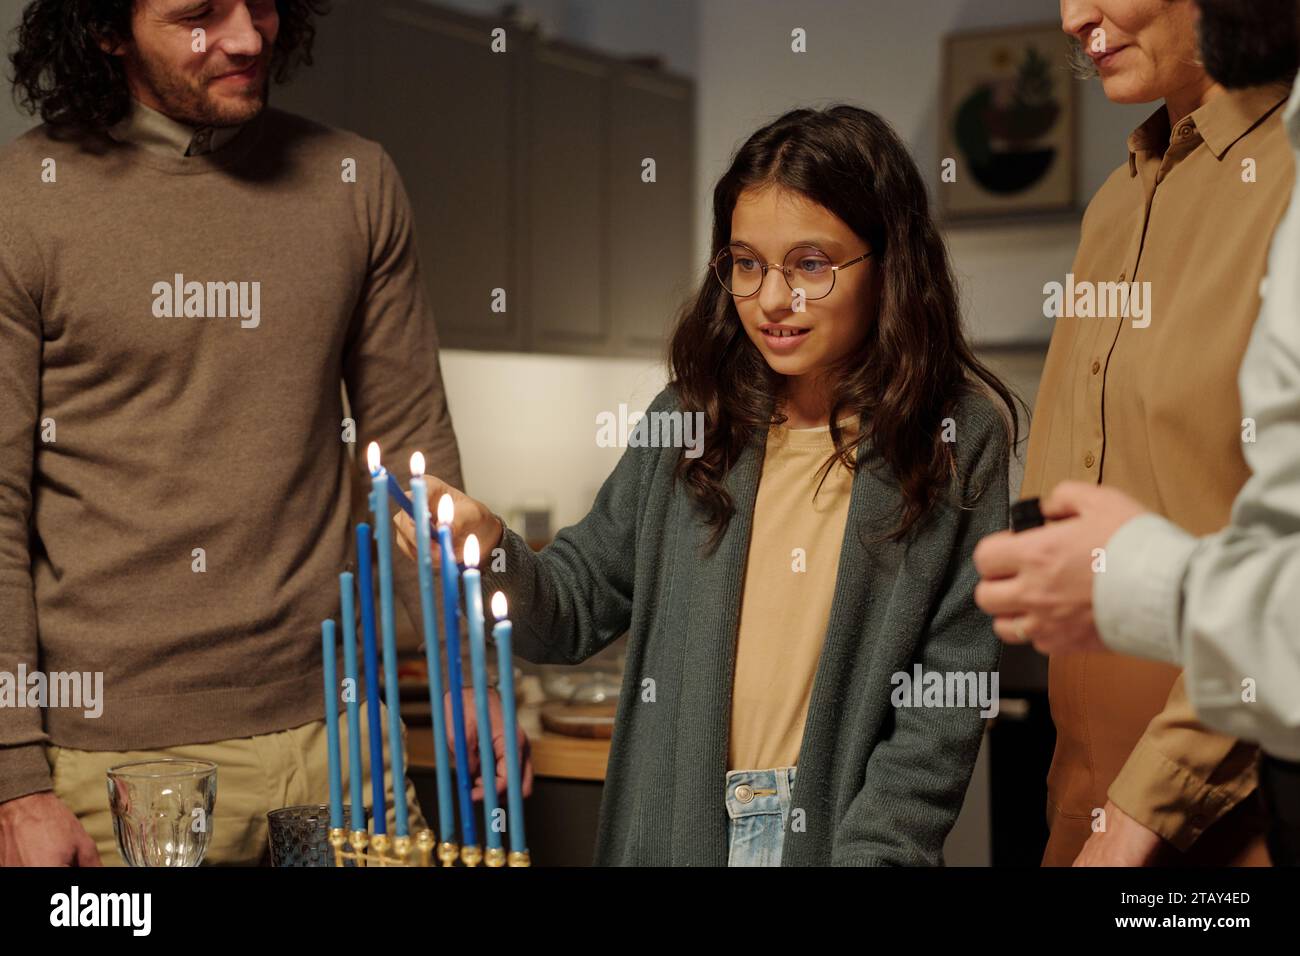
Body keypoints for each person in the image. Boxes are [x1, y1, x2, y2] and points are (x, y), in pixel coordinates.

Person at [395, 105, 1021, 866]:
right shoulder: (690, 419)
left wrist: (879, 854)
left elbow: (944, 702)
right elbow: (570, 608)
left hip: (832, 843)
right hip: (671, 834)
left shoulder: (956, 436)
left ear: (888, 261)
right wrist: (490, 549)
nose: (770, 299)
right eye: (747, 263)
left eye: (812, 264)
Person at [0, 0, 466, 865]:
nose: (249, 36)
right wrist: (13, 778)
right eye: (199, 15)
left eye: (260, 2)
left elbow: (413, 457)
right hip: (118, 773)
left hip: (346, 750)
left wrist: (468, 678)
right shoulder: (22, 201)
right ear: (105, 28)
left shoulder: (354, 179)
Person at [974, 0, 1300, 865]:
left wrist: (1140, 815)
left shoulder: (1290, 176)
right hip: (1084, 801)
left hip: (1229, 828)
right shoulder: (1117, 202)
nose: (1074, 15)